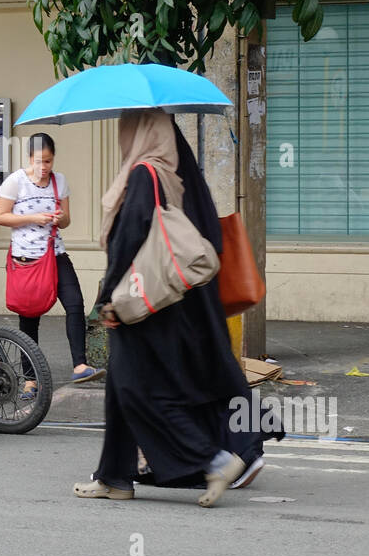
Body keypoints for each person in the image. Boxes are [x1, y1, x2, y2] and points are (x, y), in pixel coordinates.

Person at [73, 110, 275, 507]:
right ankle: (114, 476)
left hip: (139, 304)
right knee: (120, 388)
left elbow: (130, 237)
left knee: (138, 390)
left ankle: (213, 460)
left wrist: (107, 299)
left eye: (126, 128)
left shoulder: (142, 174)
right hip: (161, 301)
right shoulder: (170, 172)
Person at [0, 132, 103, 383]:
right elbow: (0, 216)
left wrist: (58, 218)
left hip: (55, 253)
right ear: (29, 158)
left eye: (48, 161)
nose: (43, 168)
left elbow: (66, 220)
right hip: (27, 259)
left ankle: (80, 365)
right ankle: (30, 380)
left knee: (75, 304)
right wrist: (32, 218)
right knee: (29, 318)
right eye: (38, 161)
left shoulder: (59, 181)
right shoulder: (16, 181)